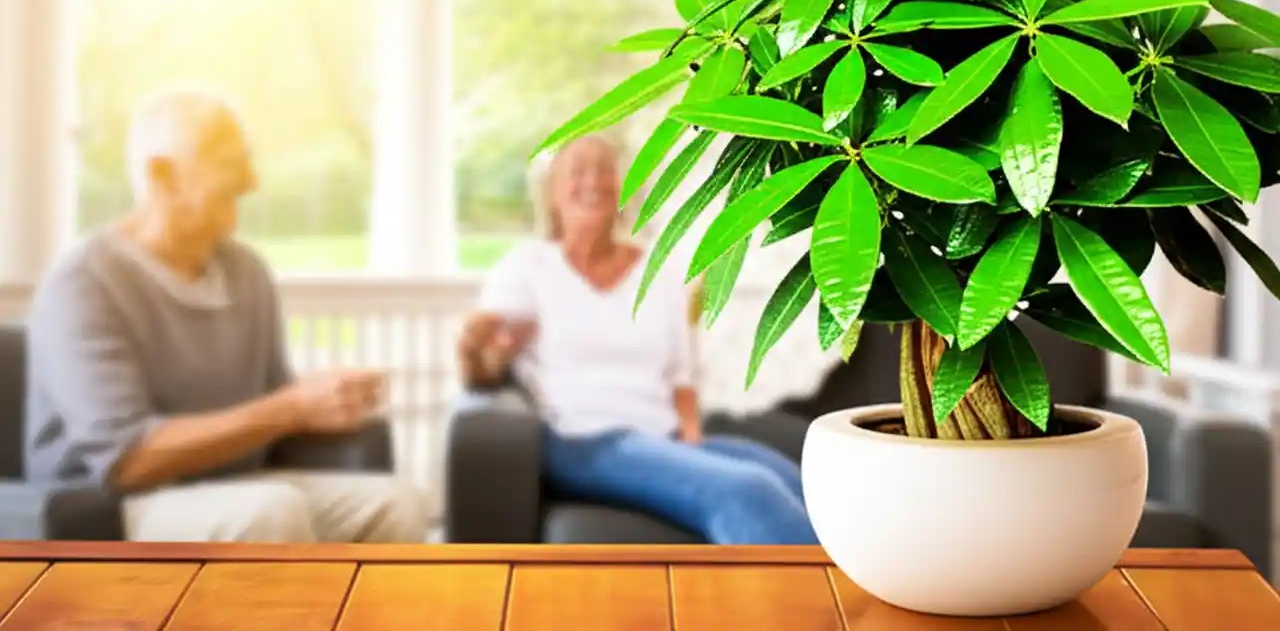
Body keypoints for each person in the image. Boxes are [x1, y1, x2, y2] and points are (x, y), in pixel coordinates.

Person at [25, 89, 427, 543]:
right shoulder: (83, 283)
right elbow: (128, 459)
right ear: (165, 175)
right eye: (231, 163)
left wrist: (325, 402)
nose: (252, 181)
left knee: (399, 504)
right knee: (271, 512)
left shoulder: (246, 273)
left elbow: (274, 409)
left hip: (235, 486)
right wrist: (293, 406)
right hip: (111, 505)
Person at [458, 135, 818, 545]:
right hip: (581, 440)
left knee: (793, 481)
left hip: (660, 435)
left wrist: (690, 437)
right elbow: (486, 368)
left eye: (605, 169)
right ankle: (821, 607)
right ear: (552, 193)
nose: (594, 180)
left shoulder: (657, 268)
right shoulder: (528, 266)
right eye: (578, 171)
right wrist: (473, 349)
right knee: (747, 491)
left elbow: (681, 374)